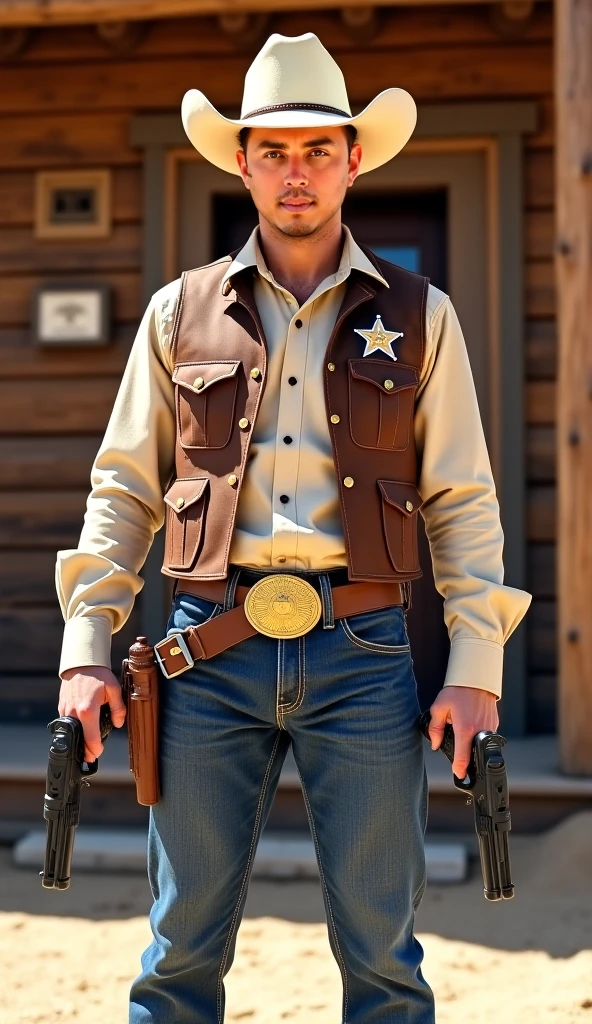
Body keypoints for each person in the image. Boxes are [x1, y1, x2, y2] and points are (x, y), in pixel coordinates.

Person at [56, 32, 531, 1024]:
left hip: (363, 652)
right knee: (177, 951)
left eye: (319, 148)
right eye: (273, 149)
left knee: (386, 961)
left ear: (355, 159)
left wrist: (475, 665)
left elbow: (461, 498)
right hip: (204, 652)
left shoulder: (422, 313)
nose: (296, 171)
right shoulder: (176, 314)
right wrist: (85, 647)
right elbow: (123, 489)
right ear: (240, 161)